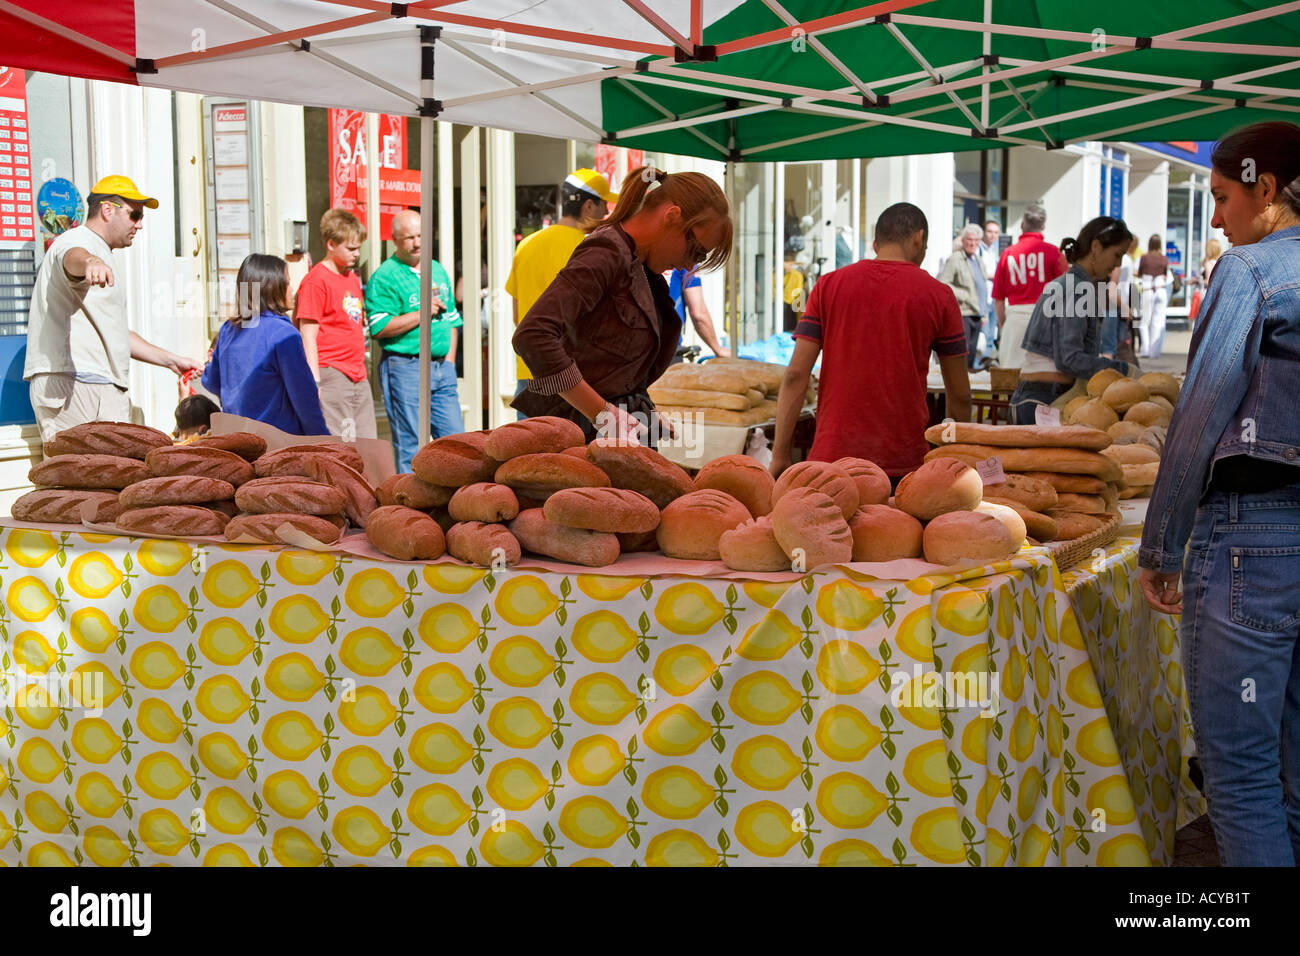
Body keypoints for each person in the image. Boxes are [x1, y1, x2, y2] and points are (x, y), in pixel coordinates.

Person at [1138, 120, 1300, 867]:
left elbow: (1200, 411)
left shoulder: (1251, 269)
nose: (1215, 218)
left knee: (1238, 776)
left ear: (1264, 190)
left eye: (1221, 195)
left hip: (1254, 545)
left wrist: (1160, 544)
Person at [512, 166, 732, 446]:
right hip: (578, 438)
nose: (689, 265)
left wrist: (641, 410)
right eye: (696, 251)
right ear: (672, 216)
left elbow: (612, 366)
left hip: (609, 434)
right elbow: (533, 336)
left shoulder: (638, 263)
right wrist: (602, 413)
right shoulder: (606, 253)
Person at [771, 202, 971, 482]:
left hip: (831, 460)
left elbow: (795, 375)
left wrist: (780, 453)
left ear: (876, 244)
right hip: (903, 465)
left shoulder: (828, 286)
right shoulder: (939, 295)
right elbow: (959, 394)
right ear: (919, 239)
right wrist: (950, 451)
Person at [24, 175, 200, 439]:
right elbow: (72, 258)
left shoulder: (101, 250)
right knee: (74, 477)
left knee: (110, 477)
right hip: (76, 384)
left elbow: (114, 334)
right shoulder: (77, 241)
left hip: (96, 385)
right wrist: (90, 262)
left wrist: (171, 360)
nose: (140, 225)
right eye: (134, 215)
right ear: (107, 209)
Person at [1007, 217, 1137, 424]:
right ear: (1096, 246)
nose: (1118, 264)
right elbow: (1069, 359)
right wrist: (1123, 370)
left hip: (1033, 399)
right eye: (1117, 254)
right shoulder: (1077, 288)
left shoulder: (1067, 284)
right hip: (1046, 400)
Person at [506, 169, 618, 408]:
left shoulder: (526, 245)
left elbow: (518, 316)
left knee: (531, 445)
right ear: (588, 206)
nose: (606, 213)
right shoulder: (591, 249)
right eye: (603, 206)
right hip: (575, 380)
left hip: (530, 371)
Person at [365, 209, 464, 471]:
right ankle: (411, 506)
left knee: (457, 443)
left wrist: (450, 362)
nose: (417, 243)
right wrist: (420, 314)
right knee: (412, 446)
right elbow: (379, 327)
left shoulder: (436, 269)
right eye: (409, 237)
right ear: (395, 240)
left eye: (421, 235)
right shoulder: (385, 276)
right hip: (406, 367)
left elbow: (453, 320)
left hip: (443, 368)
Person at [202, 254, 329, 437]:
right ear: (273, 289)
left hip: (236, 440)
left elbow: (211, 381)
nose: (292, 290)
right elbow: (304, 397)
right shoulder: (284, 334)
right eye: (287, 283)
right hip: (276, 444)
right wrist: (321, 438)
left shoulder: (228, 329)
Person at [294, 208, 376, 439]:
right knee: (341, 444)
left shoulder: (350, 276)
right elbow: (307, 334)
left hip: (357, 372)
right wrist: (315, 382)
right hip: (331, 372)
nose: (356, 253)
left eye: (359, 247)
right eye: (350, 248)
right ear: (331, 244)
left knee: (367, 443)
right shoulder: (316, 280)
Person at [991, 203, 1065, 369]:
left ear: (1022, 225)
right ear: (1043, 226)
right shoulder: (1053, 252)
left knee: (1010, 377)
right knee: (1044, 373)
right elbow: (1065, 293)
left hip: (1015, 319)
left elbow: (998, 301)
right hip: (1046, 319)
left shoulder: (1008, 253)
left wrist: (1004, 326)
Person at [938, 224, 989, 370]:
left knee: (973, 354)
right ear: (963, 240)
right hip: (963, 313)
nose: (972, 243)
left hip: (977, 315)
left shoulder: (978, 260)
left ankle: (969, 388)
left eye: (975, 240)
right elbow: (944, 284)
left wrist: (984, 313)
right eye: (969, 240)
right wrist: (965, 296)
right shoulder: (955, 259)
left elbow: (982, 287)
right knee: (963, 354)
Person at [668, 267, 729, 358]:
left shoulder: (642, 256)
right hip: (667, 351)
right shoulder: (687, 262)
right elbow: (698, 314)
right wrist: (718, 349)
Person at [1136, 234, 1173, 358]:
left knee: (1145, 322)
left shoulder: (1145, 258)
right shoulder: (1164, 258)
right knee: (1157, 322)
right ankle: (1154, 352)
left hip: (1148, 289)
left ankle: (1145, 350)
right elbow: (1165, 274)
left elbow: (1140, 273)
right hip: (1160, 289)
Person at [1187, 237, 1223, 328]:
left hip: (1204, 293)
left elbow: (1208, 281)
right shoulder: (1219, 261)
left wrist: (1196, 280)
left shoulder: (1209, 263)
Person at [979, 219, 1001, 356]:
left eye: (996, 232)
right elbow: (975, 272)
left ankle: (985, 369)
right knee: (984, 335)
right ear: (983, 233)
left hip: (993, 298)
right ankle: (978, 368)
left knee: (991, 336)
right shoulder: (978, 249)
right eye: (990, 231)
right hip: (983, 298)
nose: (993, 235)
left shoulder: (993, 251)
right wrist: (992, 276)